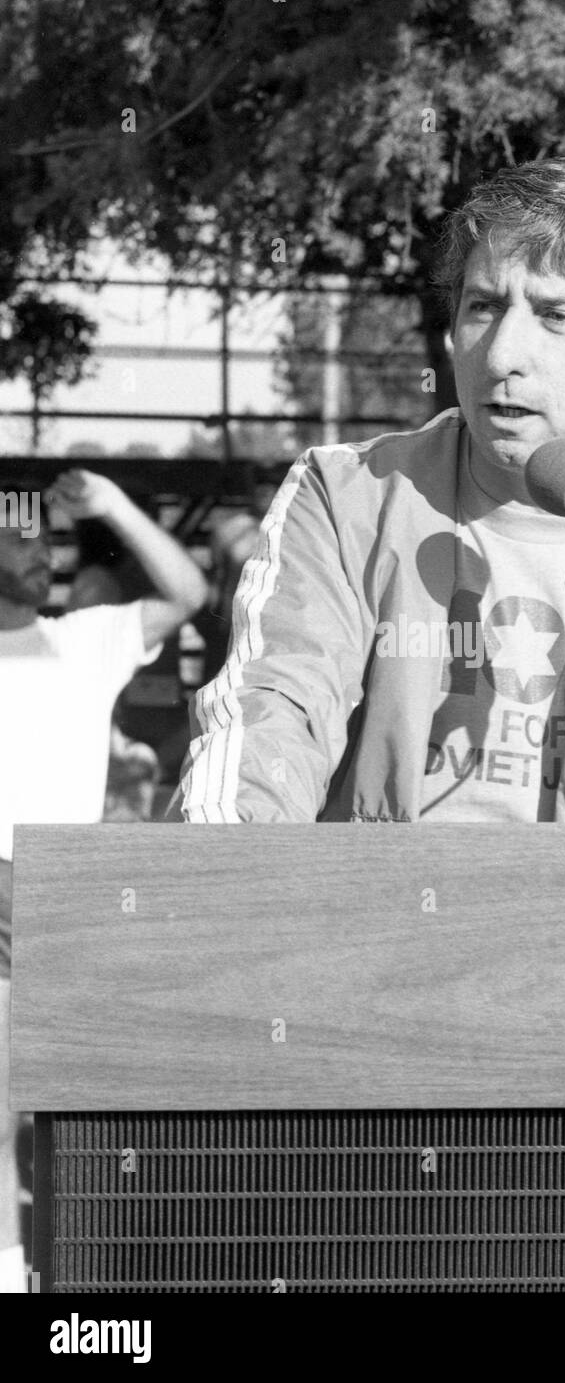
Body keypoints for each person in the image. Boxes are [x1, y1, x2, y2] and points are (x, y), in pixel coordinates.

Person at [173, 156, 565, 826]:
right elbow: (266, 722)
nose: (502, 354)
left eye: (557, 316)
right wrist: (220, 872)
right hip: (379, 898)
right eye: (483, 306)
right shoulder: (348, 494)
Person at [0, 467, 208, 1292]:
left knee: (77, 1118)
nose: (38, 553)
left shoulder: (88, 637)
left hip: (67, 893)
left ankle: (84, 1285)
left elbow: (188, 590)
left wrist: (113, 505)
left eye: (44, 539)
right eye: (16, 537)